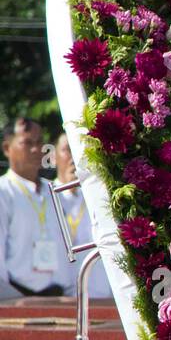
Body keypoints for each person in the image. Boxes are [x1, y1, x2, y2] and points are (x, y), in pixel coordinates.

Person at [0, 117, 64, 299]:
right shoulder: (3, 191)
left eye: (39, 142)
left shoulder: (54, 190)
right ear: (7, 148)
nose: (36, 149)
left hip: (61, 295)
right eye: (27, 143)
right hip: (17, 295)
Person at [52, 133, 110, 298]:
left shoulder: (99, 200)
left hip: (100, 297)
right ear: (53, 156)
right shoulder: (45, 197)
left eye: (78, 151)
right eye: (67, 150)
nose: (74, 158)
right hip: (55, 299)